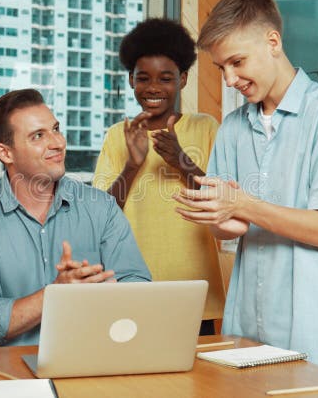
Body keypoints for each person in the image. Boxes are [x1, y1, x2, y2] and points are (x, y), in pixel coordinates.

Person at [173, 0, 318, 376]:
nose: (230, 79)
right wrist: (211, 212)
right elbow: (230, 228)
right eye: (221, 68)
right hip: (249, 334)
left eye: (237, 61)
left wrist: (241, 204)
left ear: (273, 42)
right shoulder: (232, 128)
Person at [0, 89, 151, 347]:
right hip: (6, 374)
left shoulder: (102, 208)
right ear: (5, 153)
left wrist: (104, 290)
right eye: (38, 136)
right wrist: (55, 296)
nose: (57, 143)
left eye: (56, 129)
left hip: (90, 364)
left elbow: (139, 289)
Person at [92, 18, 224, 333]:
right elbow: (99, 214)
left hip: (193, 287)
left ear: (183, 79)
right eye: (143, 78)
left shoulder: (205, 128)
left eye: (165, 78)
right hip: (129, 284)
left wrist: (182, 162)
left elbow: (223, 202)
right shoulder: (116, 136)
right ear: (130, 80)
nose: (153, 88)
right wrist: (132, 165)